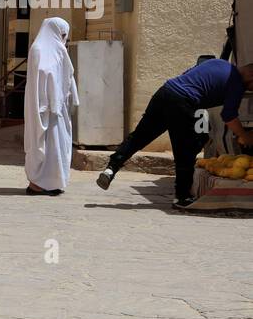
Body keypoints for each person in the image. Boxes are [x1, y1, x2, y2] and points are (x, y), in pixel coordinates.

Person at [98, 58, 253, 208]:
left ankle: (111, 168)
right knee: (186, 151)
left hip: (165, 91)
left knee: (140, 136)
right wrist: (245, 137)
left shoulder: (218, 62)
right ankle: (182, 196)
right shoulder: (237, 83)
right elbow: (229, 116)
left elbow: (187, 73)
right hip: (183, 102)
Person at [23, 17, 78, 195]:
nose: (64, 39)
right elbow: (43, 74)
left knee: (58, 146)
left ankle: (52, 183)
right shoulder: (39, 49)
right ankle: (38, 184)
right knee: (44, 144)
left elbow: (68, 75)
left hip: (58, 109)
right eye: (62, 35)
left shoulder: (58, 50)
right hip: (44, 107)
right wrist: (50, 98)